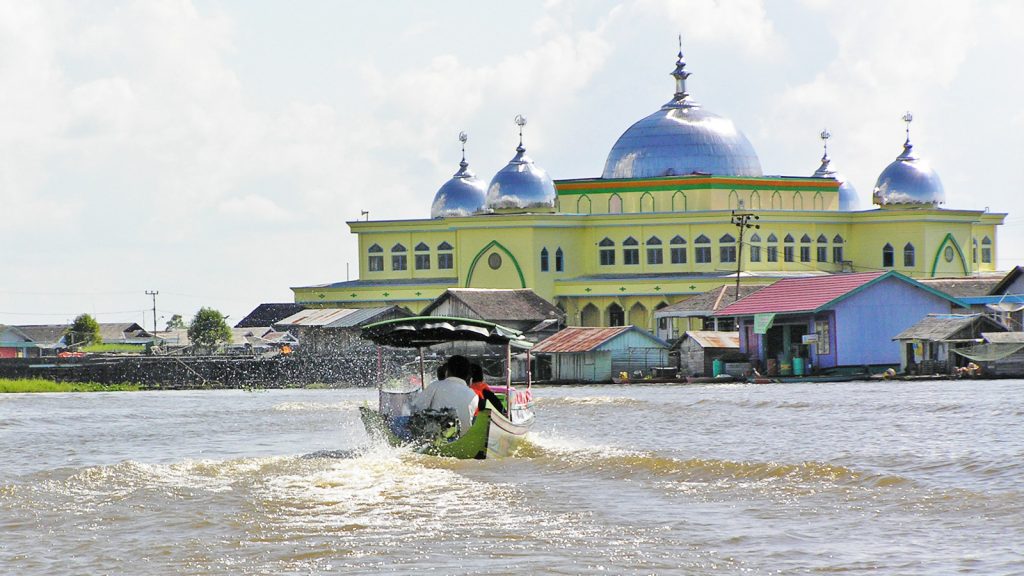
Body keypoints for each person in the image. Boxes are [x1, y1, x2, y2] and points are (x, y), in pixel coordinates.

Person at [411, 355, 479, 435]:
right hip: (464, 438)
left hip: (437, 437)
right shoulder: (473, 395)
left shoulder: (436, 386)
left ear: (446, 372)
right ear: (468, 376)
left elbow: (416, 407)